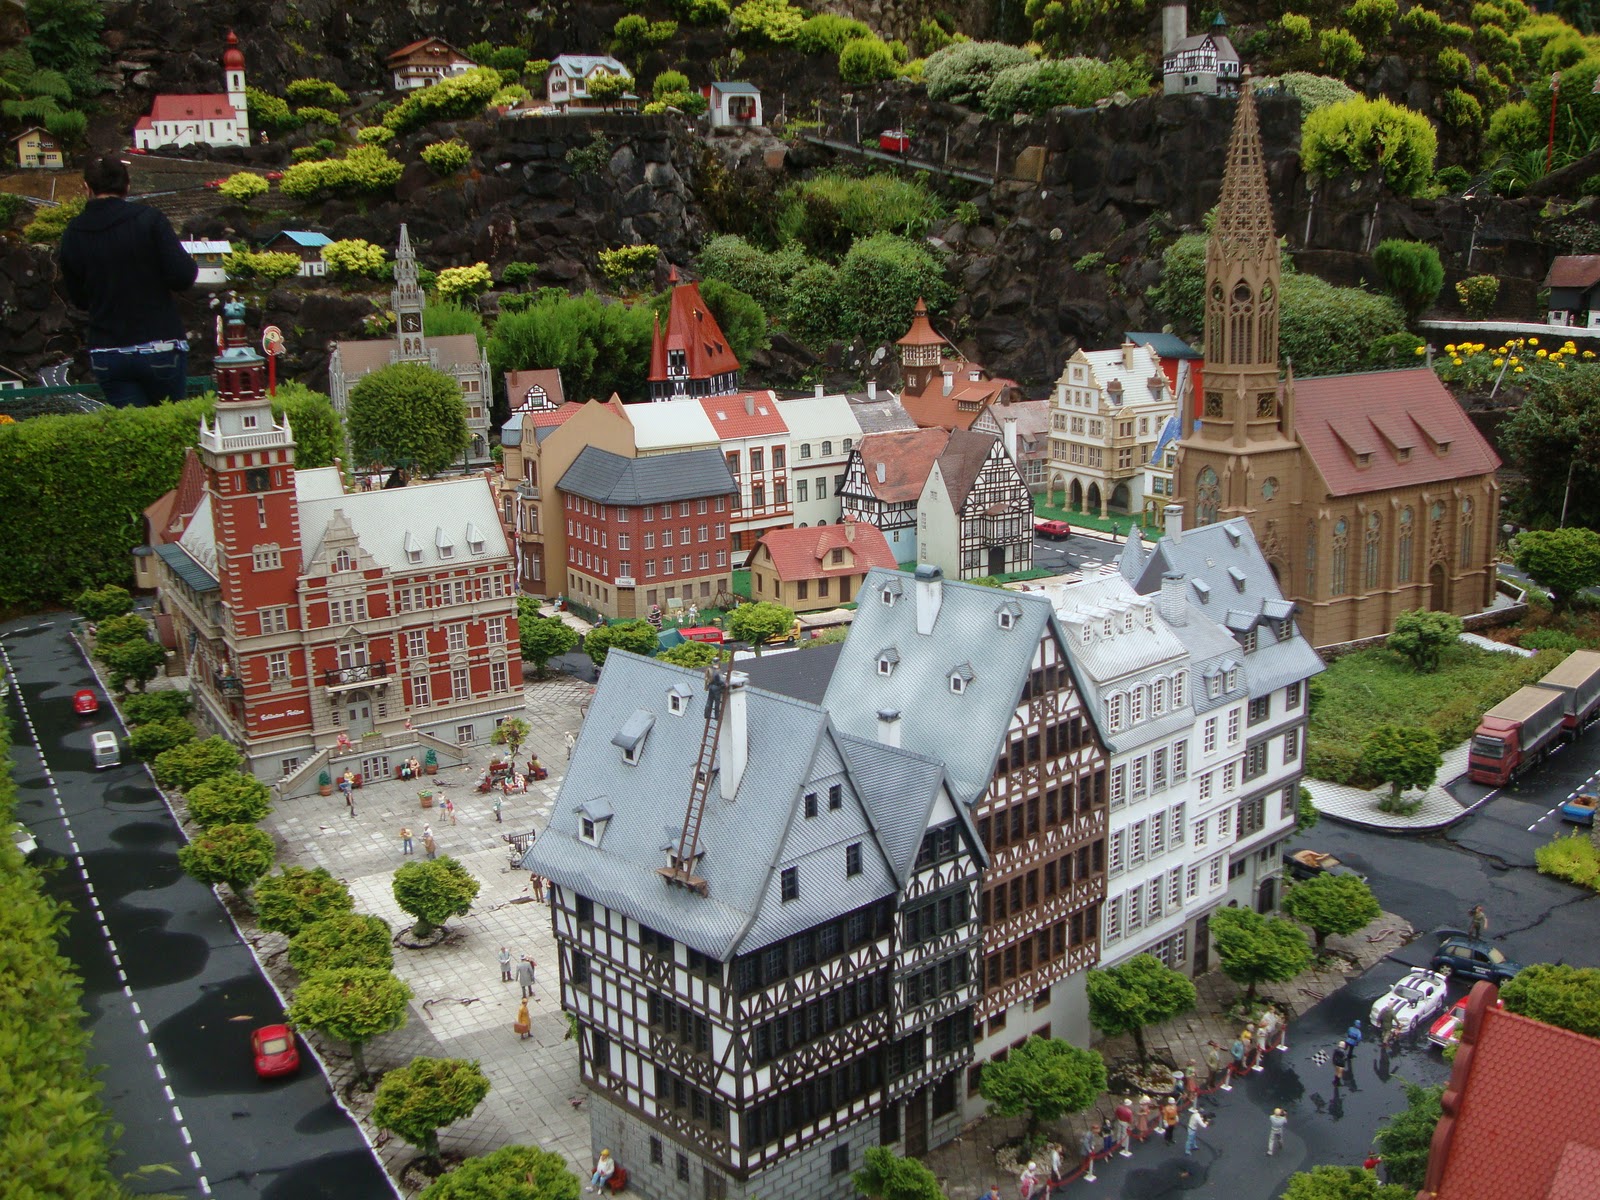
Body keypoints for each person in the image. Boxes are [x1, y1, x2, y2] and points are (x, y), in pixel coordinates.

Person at [57, 156, 198, 409]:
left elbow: (79, 299)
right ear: (128, 185)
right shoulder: (150, 220)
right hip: (159, 343)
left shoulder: (73, 233)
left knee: (135, 432)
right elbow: (183, 276)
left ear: (87, 187)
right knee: (169, 428)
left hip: (107, 350)